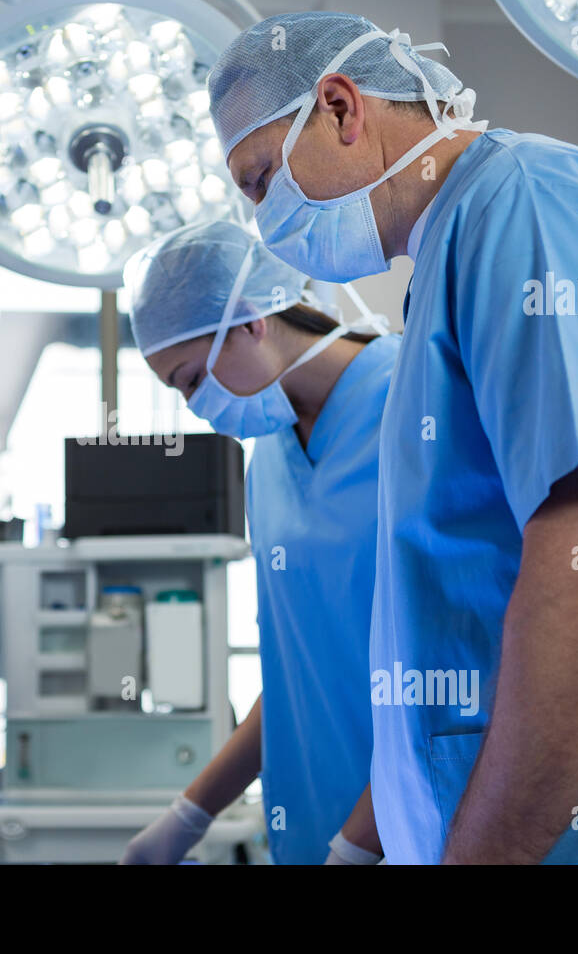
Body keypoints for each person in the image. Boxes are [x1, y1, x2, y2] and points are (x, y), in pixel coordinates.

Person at [208, 12, 578, 863]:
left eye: (260, 181)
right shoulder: (450, 259)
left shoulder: (530, 205)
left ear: (340, 107)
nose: (264, 223)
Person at [118, 219, 398, 864]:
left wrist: (358, 850)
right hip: (308, 826)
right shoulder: (268, 461)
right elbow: (299, 672)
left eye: (191, 379)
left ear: (248, 321)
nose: (195, 405)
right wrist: (188, 817)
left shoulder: (415, 401)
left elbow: (470, 661)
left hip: (414, 831)